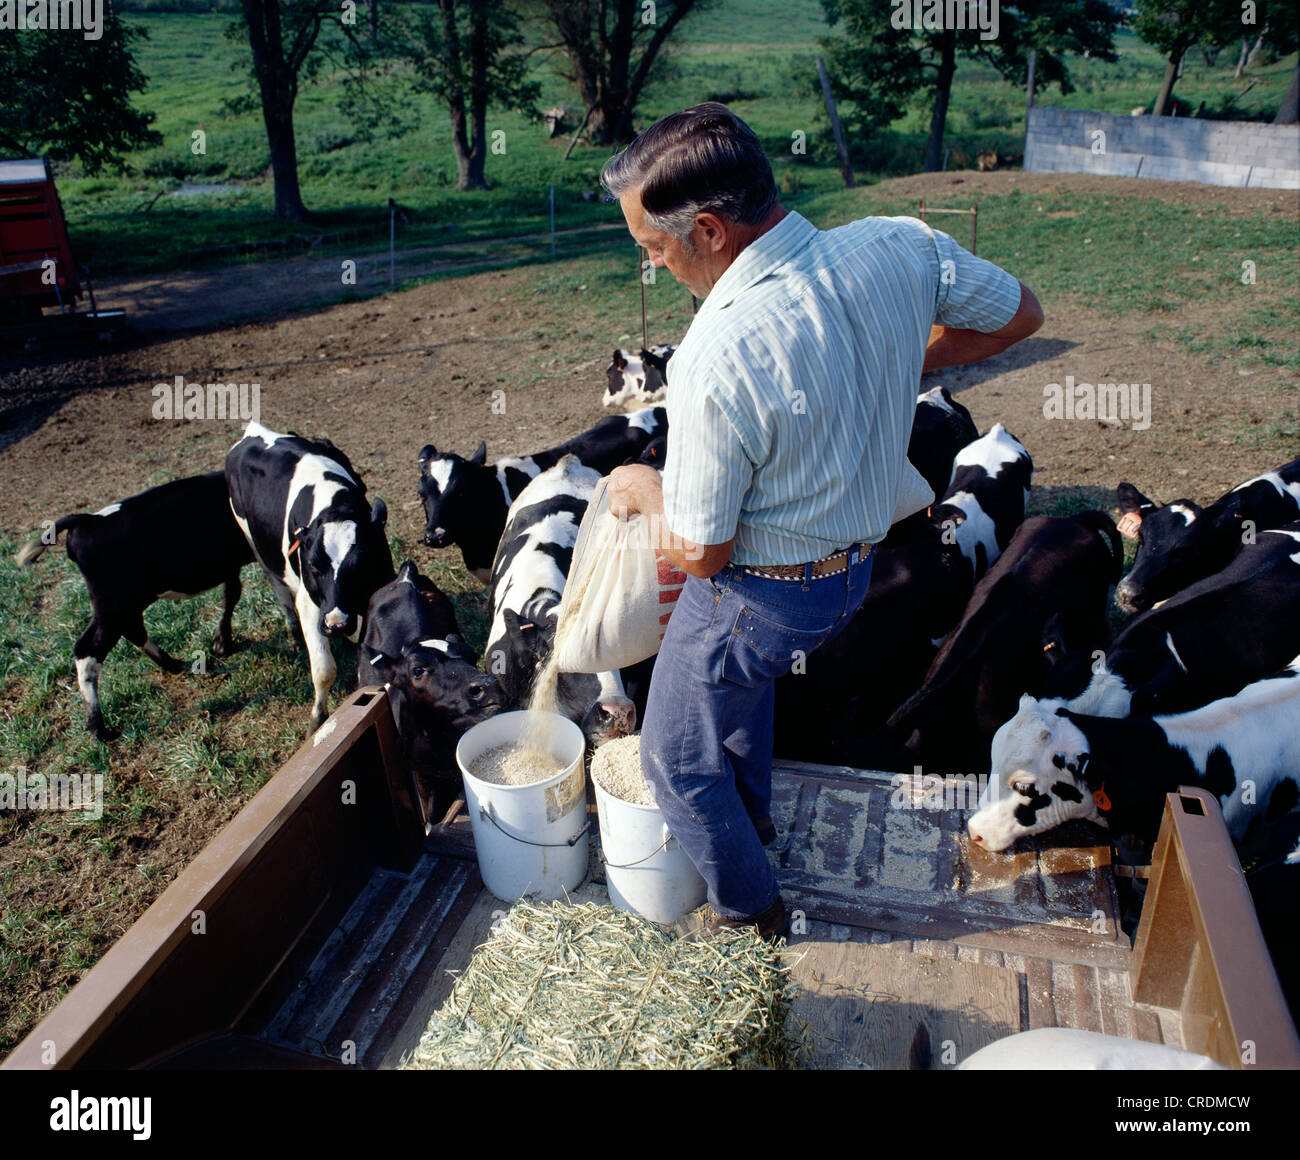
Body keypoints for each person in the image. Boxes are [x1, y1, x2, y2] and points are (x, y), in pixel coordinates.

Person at [602, 103, 1043, 938]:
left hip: (758, 594)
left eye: (654, 251)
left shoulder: (714, 355)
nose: (656, 269)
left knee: (673, 756)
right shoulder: (899, 244)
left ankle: (747, 914)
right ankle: (755, 822)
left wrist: (642, 489)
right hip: (852, 575)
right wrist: (889, 351)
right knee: (737, 690)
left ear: (707, 230)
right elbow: (1021, 315)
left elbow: (701, 553)